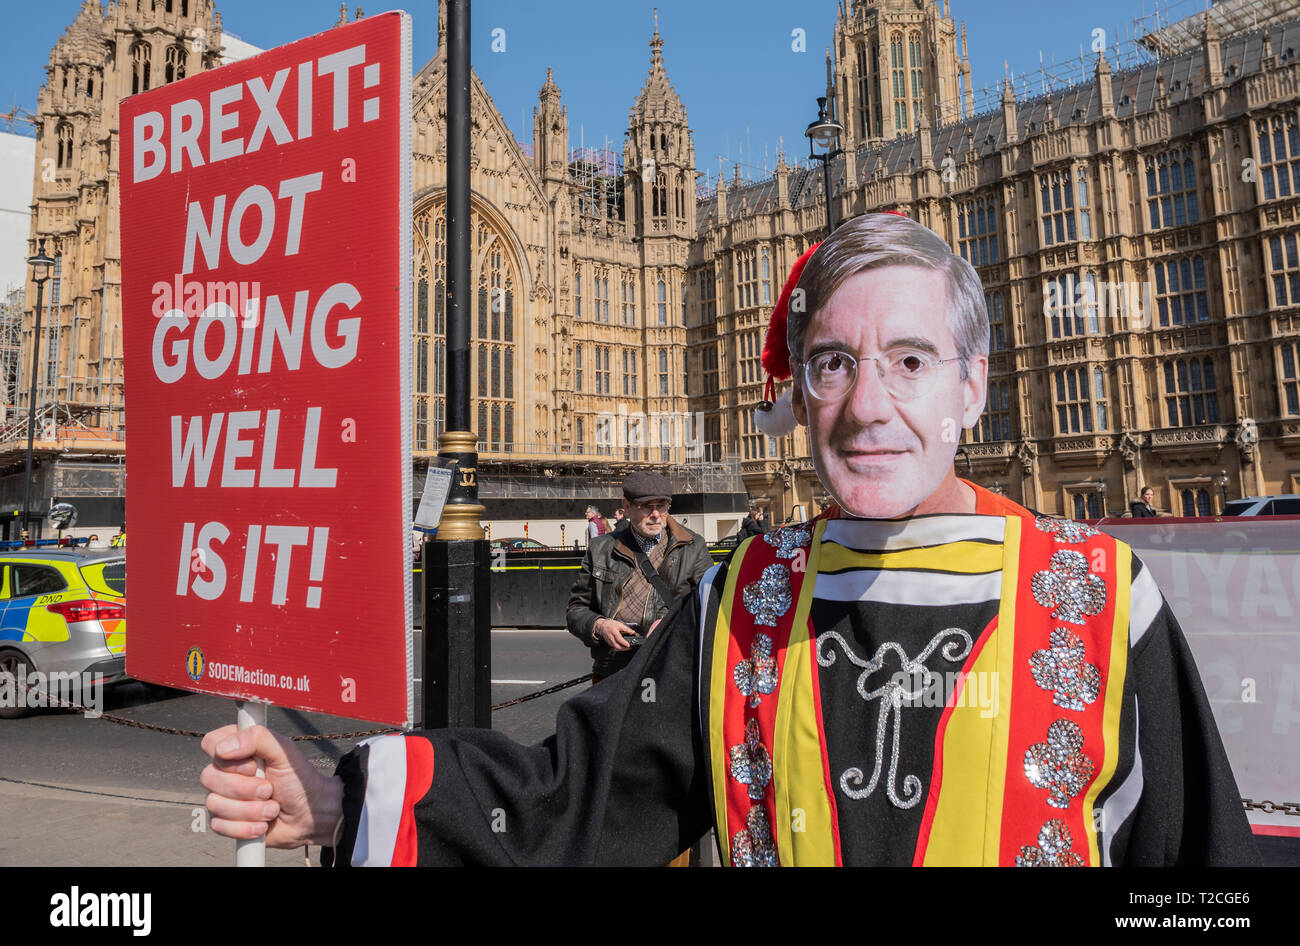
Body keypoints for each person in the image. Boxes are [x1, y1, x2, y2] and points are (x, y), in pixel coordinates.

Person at [201, 213, 1257, 866]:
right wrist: (342, 792)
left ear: (972, 384)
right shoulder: (742, 601)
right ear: (797, 394)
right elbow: (568, 804)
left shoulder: (1100, 599)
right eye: (833, 363)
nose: (867, 402)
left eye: (909, 359)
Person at [566, 471, 712, 684]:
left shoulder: (693, 547)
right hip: (613, 670)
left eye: (661, 506)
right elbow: (576, 610)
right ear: (626, 506)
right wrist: (599, 626)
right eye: (646, 506)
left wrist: (673, 624)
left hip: (670, 669)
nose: (655, 514)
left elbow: (709, 608)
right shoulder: (600, 549)